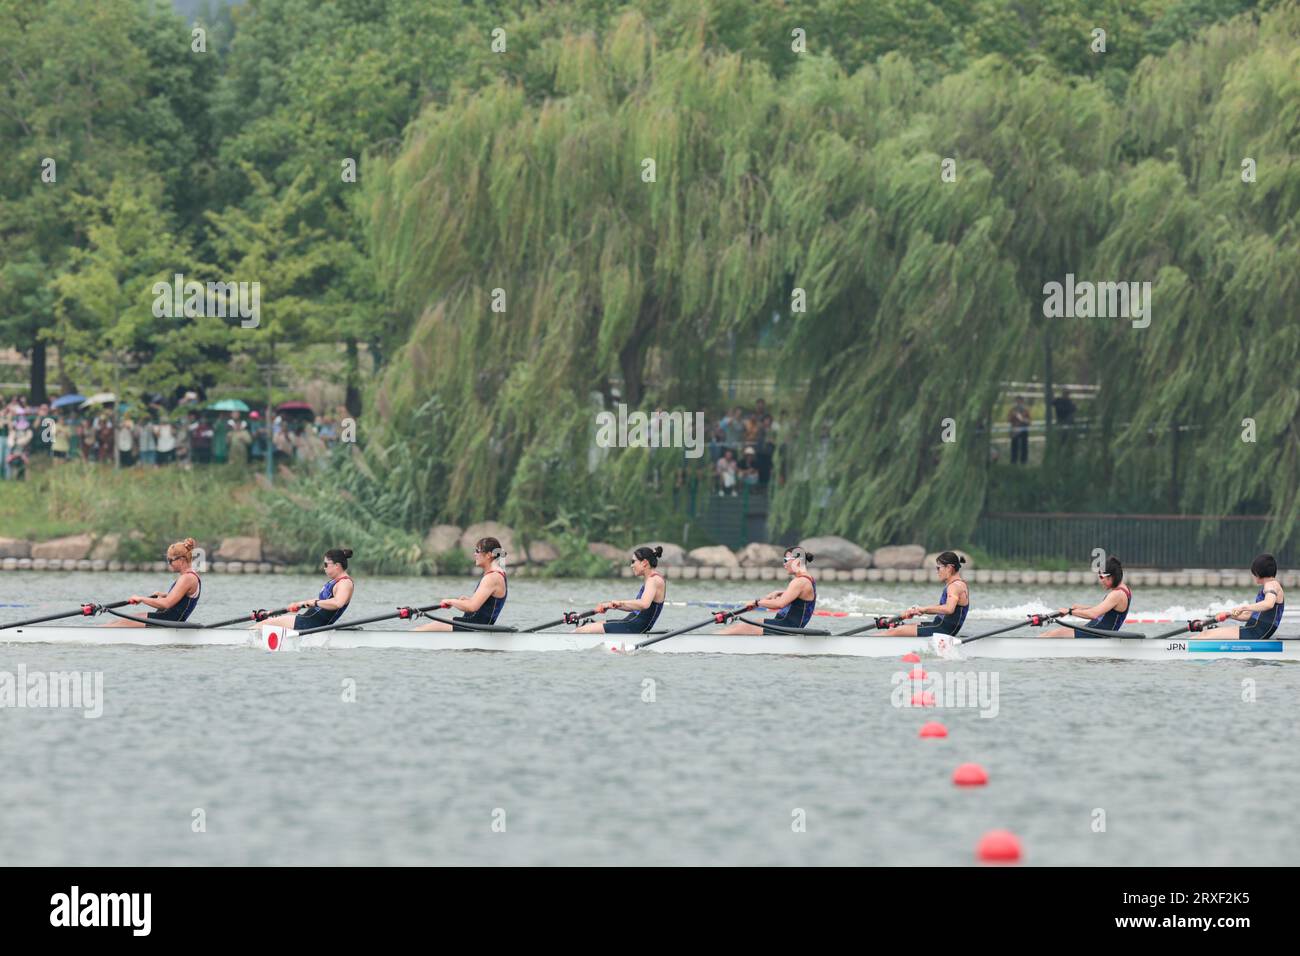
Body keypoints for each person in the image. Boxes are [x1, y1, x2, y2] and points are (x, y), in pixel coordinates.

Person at [413, 537, 509, 631]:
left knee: (420, 630)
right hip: (472, 625)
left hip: (474, 627)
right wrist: (467, 600)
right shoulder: (496, 574)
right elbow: (485, 605)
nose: (474, 554)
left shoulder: (492, 577)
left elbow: (472, 607)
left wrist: (451, 601)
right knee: (429, 627)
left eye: (477, 551)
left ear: (488, 555)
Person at [718, 547, 817, 634]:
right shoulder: (807, 578)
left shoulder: (799, 581)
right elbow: (801, 597)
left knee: (739, 628)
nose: (784, 564)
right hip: (783, 624)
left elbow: (779, 604)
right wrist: (781, 593)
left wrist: (757, 603)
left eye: (786, 560)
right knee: (738, 627)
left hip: (787, 628)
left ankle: (711, 643)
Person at [109, 537, 202, 626]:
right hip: (165, 618)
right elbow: (181, 599)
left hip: (167, 621)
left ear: (181, 560)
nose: (169, 563)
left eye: (170, 560)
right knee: (115, 623)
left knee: (118, 624)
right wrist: (164, 595)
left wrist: (141, 599)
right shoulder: (189, 576)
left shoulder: (187, 578)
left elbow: (166, 604)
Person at [575, 546, 666, 634]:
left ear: (644, 562)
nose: (631, 565)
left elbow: (644, 604)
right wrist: (609, 605)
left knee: (580, 631)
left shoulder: (653, 580)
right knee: (594, 625)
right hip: (631, 623)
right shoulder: (651, 579)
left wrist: (620, 602)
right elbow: (635, 608)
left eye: (633, 561)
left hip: (634, 627)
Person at [263, 549, 355, 632]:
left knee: (264, 625)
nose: (324, 568)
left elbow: (338, 603)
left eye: (326, 564)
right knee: (268, 622)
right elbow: (323, 602)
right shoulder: (335, 581)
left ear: (337, 565)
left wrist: (315, 602)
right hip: (307, 620)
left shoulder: (345, 583)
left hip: (312, 625)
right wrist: (300, 604)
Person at [1039, 556, 1130, 638]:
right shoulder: (1124, 589)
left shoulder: (1117, 594)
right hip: (1094, 630)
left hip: (1097, 635)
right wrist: (1080, 608)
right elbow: (1103, 613)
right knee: (1050, 633)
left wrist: (1069, 611)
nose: (1100, 580)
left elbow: (1093, 614)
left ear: (1111, 577)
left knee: (1054, 634)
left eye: (1101, 577)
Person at [1200, 554, 1285, 640]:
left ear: (1258, 572)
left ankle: (1190, 645)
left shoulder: (1271, 585)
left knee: (1206, 635)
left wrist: (1243, 608)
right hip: (1253, 629)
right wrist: (1228, 615)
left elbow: (1269, 604)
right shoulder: (1271, 586)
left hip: (1256, 632)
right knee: (1207, 633)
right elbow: (1250, 615)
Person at [889, 551, 971, 637]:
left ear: (949, 568)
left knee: (895, 631)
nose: (937, 572)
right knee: (901, 626)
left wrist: (924, 609)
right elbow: (943, 608)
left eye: (938, 568)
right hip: (938, 626)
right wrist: (920, 610)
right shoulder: (958, 584)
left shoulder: (954, 586)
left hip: (942, 631)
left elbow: (949, 609)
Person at [1009, 397, 1030, 464]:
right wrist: (1013, 415)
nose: (1018, 403)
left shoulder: (1026, 410)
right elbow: (1009, 419)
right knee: (1014, 446)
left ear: (1022, 402)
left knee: (1024, 446)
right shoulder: (1012, 410)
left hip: (1023, 430)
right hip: (1015, 430)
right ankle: (1013, 461)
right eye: (1017, 401)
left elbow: (1029, 422)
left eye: (1020, 401)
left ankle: (1024, 461)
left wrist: (1022, 418)